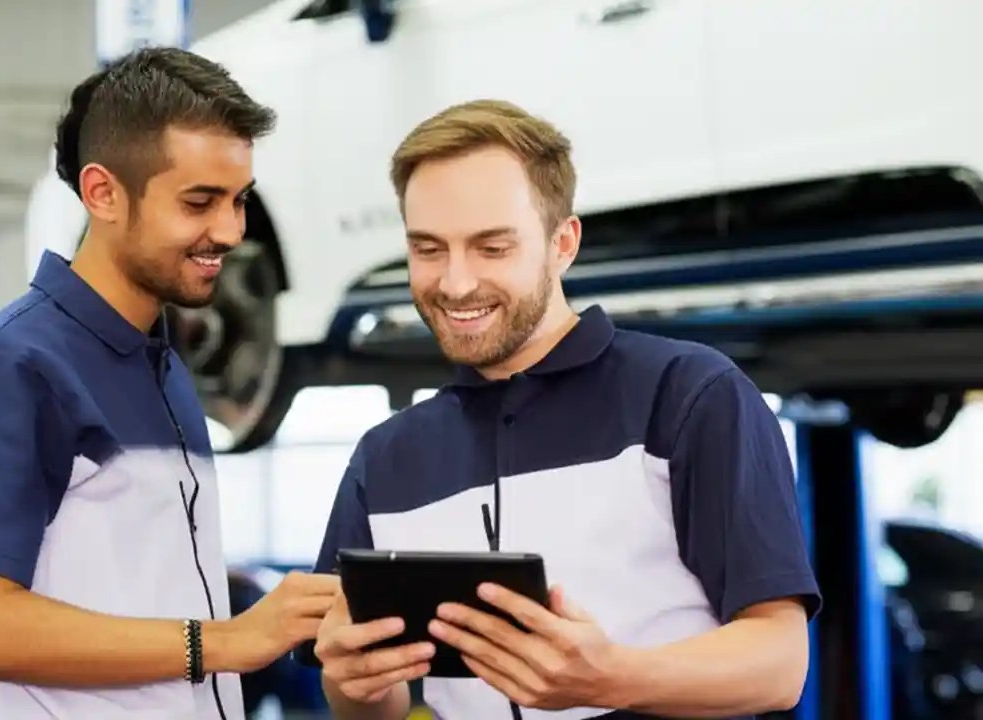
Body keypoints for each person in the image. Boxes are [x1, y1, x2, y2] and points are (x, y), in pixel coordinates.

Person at [308, 99, 822, 719]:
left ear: (563, 243)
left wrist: (613, 678)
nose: (455, 283)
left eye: (492, 248)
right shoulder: (385, 459)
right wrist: (351, 680)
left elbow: (780, 662)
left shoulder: (689, 395)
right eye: (428, 249)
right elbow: (374, 709)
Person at [0, 47, 339, 719]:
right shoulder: (14, 366)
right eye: (200, 202)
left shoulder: (163, 365)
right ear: (103, 193)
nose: (229, 231)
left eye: (239, 201)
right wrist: (225, 641)